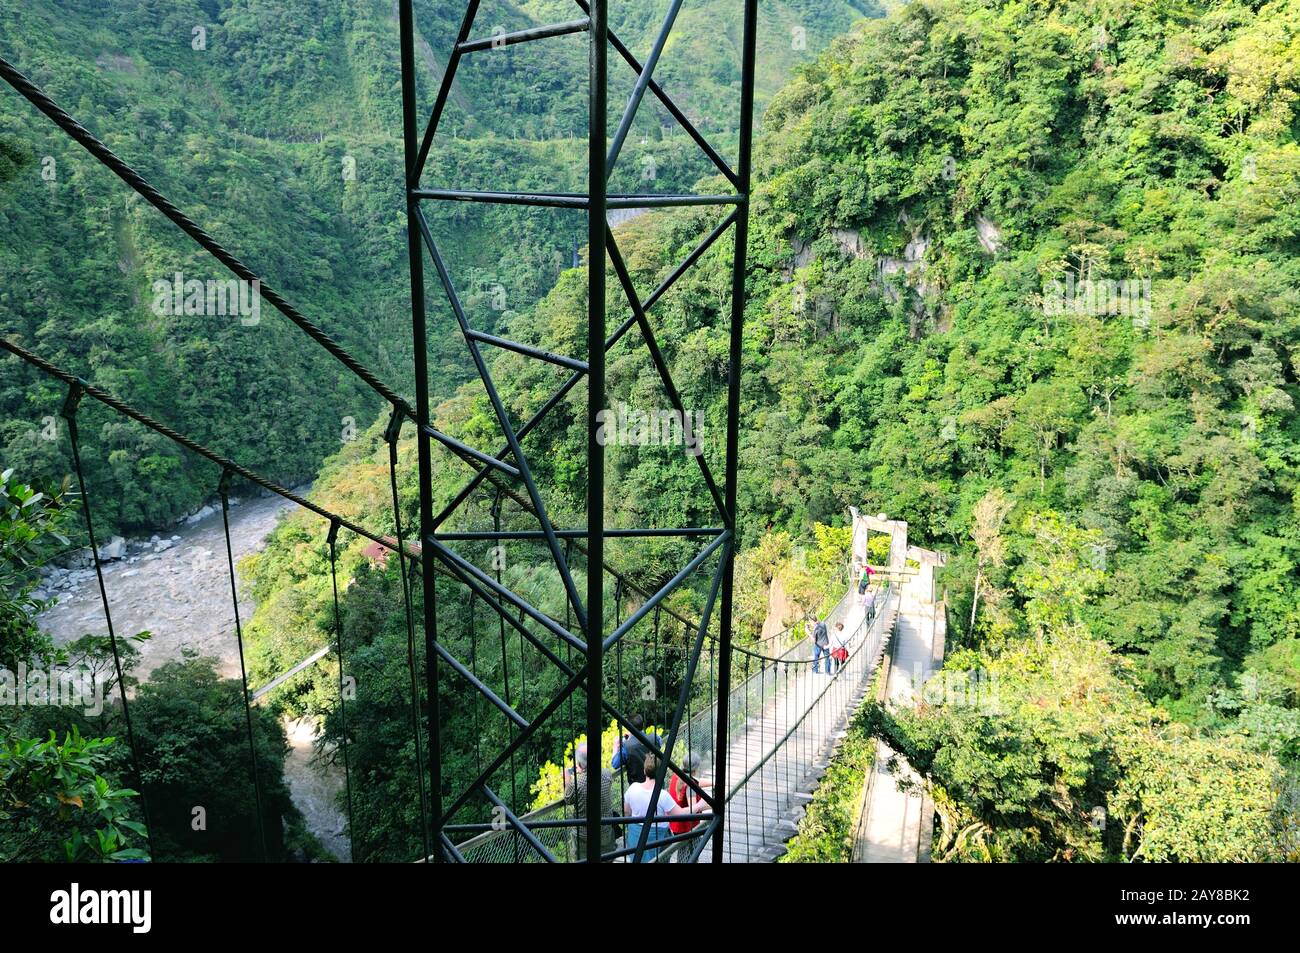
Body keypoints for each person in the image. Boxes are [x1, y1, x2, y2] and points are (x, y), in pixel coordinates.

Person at [623, 754, 707, 862]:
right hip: (657, 837)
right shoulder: (662, 795)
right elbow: (680, 813)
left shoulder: (632, 788)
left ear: (644, 771)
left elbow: (627, 811)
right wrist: (699, 805)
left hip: (636, 834)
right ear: (662, 773)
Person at [562, 741, 616, 859]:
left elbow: (567, 799)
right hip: (605, 829)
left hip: (583, 835)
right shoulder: (607, 774)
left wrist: (567, 778)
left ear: (579, 764)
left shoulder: (577, 783)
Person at [611, 714, 662, 783]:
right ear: (642, 724)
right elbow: (660, 742)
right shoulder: (654, 737)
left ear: (629, 728)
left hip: (637, 786)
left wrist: (615, 746)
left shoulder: (627, 747)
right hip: (657, 782)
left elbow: (615, 764)